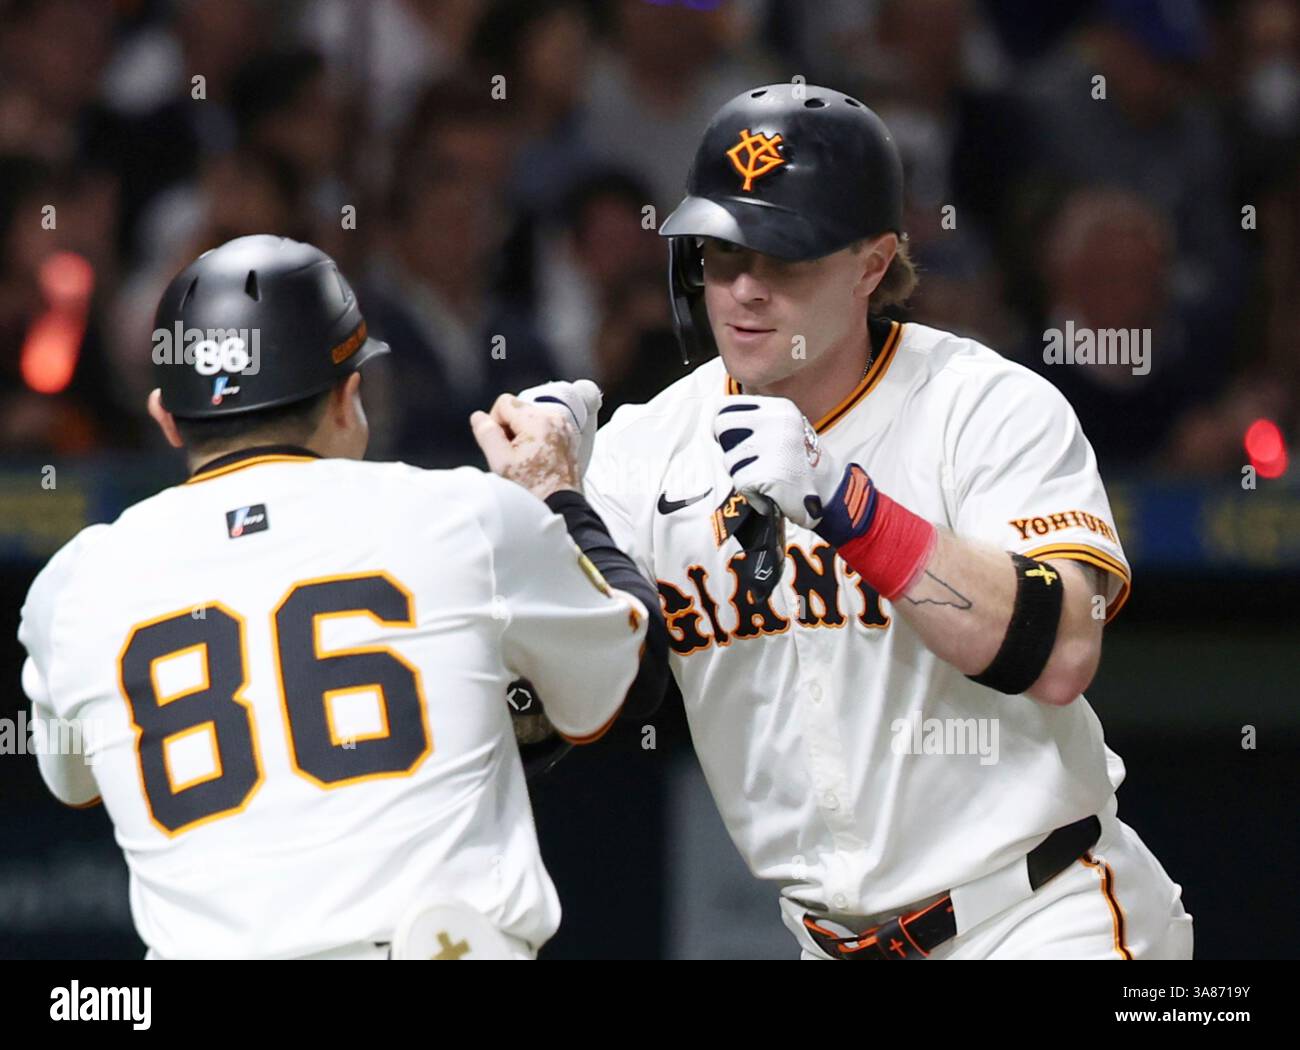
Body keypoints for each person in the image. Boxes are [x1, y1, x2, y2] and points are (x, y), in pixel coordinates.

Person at [509, 84, 1193, 959]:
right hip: (828, 942)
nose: (746, 290)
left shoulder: (982, 406)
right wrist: (545, 518)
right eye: (721, 255)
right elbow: (564, 708)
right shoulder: (647, 450)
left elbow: (1062, 651)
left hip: (1035, 913)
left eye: (783, 256)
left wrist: (849, 505)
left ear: (873, 264)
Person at [16, 234, 658, 960]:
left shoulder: (73, 584)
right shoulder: (466, 516)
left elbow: (75, 782)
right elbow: (625, 673)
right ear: (351, 395)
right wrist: (554, 491)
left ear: (166, 417)